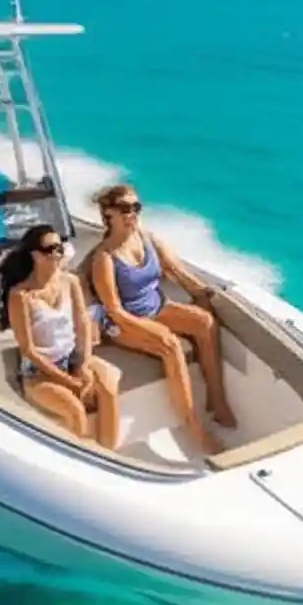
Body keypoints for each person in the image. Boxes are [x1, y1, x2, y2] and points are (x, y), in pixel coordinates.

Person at [88, 184, 237, 454]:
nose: (131, 213)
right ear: (108, 213)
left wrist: (202, 291)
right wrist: (150, 328)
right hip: (123, 323)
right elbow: (114, 310)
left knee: (204, 321)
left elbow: (175, 270)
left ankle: (216, 400)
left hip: (158, 307)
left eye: (136, 207)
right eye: (124, 209)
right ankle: (195, 429)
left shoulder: (146, 237)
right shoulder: (104, 258)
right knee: (170, 345)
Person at [0, 225, 121, 449]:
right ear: (35, 256)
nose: (58, 254)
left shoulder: (70, 281)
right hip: (39, 373)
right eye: (51, 249)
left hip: (70, 360)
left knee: (108, 389)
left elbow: (83, 325)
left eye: (60, 248)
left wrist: (83, 364)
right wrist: (69, 382)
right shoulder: (20, 296)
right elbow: (28, 351)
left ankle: (109, 454)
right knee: (74, 410)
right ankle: (82, 462)